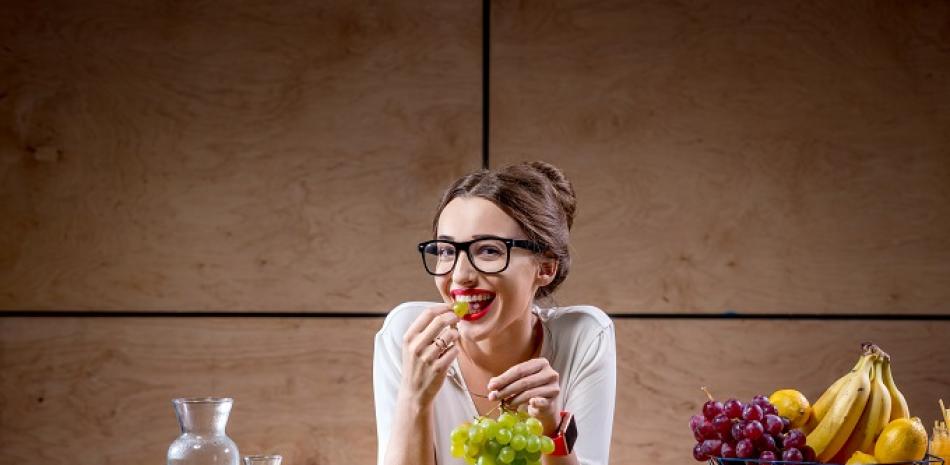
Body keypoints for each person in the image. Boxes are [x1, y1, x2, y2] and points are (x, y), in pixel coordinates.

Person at [373, 161, 616, 465]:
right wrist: (413, 398)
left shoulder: (584, 337)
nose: (460, 275)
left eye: (488, 250)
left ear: (545, 267)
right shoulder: (410, 337)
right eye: (447, 251)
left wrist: (551, 428)